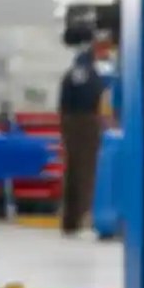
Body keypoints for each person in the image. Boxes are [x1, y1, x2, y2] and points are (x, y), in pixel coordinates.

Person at [57, 41, 107, 236]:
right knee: (87, 171)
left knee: (71, 169)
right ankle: (84, 215)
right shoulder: (94, 75)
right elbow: (98, 98)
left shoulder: (69, 74)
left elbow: (62, 101)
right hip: (88, 122)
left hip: (69, 121)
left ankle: (69, 221)